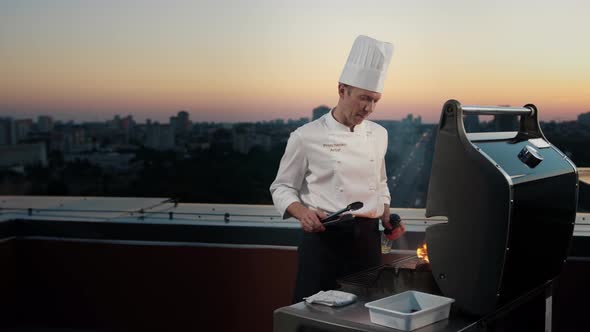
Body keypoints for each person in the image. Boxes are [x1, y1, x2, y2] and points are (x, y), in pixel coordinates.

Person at [270, 35, 404, 303]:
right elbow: (281, 187)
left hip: (367, 243)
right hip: (324, 243)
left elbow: (380, 181)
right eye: (364, 98)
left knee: (364, 316)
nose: (369, 108)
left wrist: (385, 208)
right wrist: (303, 213)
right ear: (342, 90)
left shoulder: (379, 134)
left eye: (376, 100)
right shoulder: (305, 136)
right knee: (314, 319)